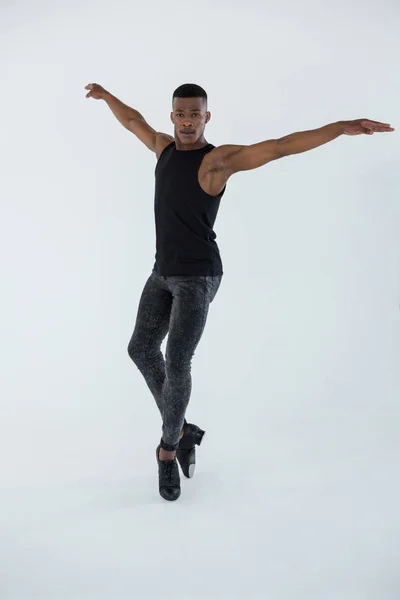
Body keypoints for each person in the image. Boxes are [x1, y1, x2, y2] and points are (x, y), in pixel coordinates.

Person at [85, 81, 394, 501]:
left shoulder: (218, 161)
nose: (188, 121)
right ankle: (183, 428)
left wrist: (339, 127)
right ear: (172, 116)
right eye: (181, 114)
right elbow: (132, 120)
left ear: (206, 117)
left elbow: (280, 147)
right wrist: (106, 96)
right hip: (162, 272)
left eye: (195, 114)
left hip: (198, 278)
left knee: (177, 360)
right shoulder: (163, 149)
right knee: (140, 349)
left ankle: (168, 450)